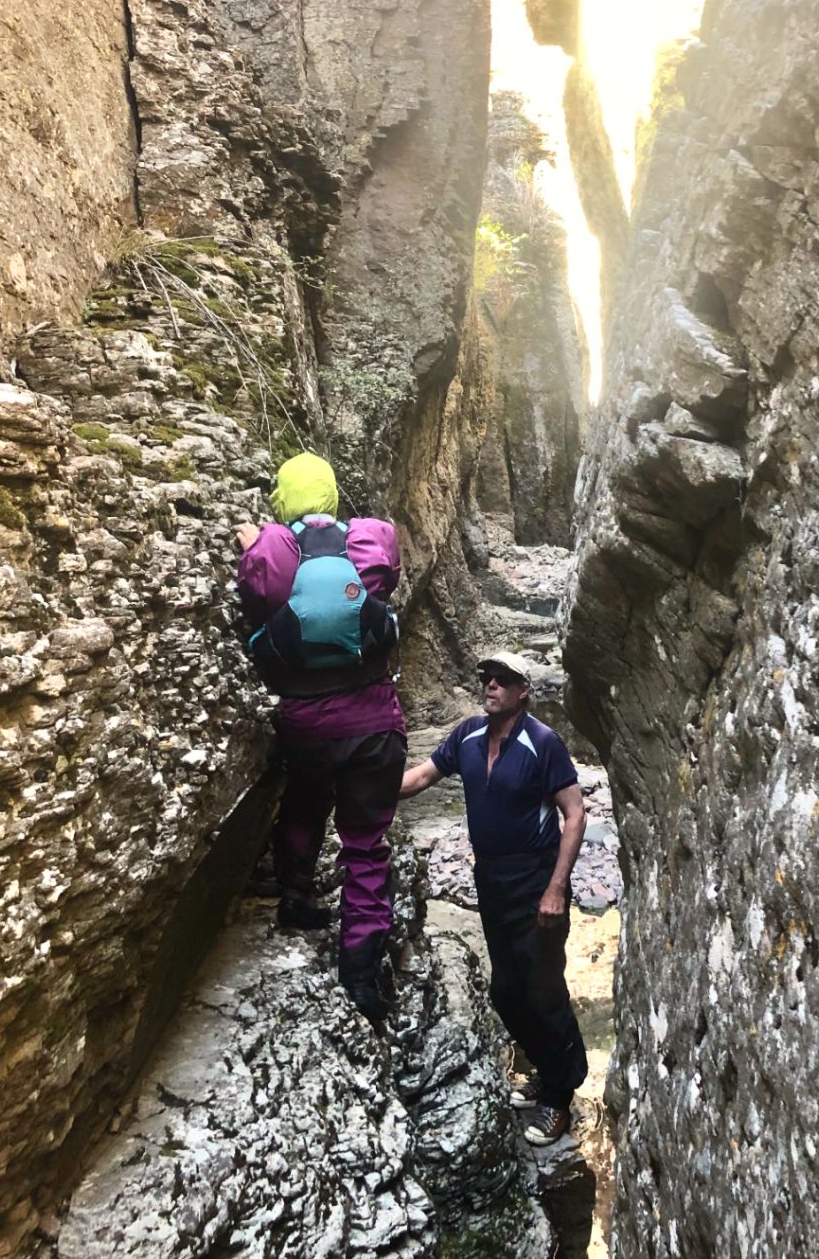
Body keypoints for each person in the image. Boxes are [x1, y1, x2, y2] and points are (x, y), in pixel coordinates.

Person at [236, 452, 405, 1023]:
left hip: (304, 723)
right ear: (332, 494)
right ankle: (359, 977)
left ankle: (295, 897)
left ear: (283, 497)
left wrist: (256, 540)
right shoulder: (372, 544)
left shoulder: (270, 552)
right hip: (372, 724)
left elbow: (258, 598)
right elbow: (384, 588)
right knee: (364, 845)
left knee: (304, 802)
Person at [400, 650, 589, 1145]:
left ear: (523, 691)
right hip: (492, 881)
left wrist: (556, 888)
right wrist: (367, 787)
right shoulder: (467, 735)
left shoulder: (543, 742)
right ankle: (547, 1070)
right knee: (506, 990)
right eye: (487, 678)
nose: (491, 686)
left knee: (543, 990)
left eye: (502, 680)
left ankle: (560, 1096)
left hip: (535, 882)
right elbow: (420, 778)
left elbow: (575, 814)